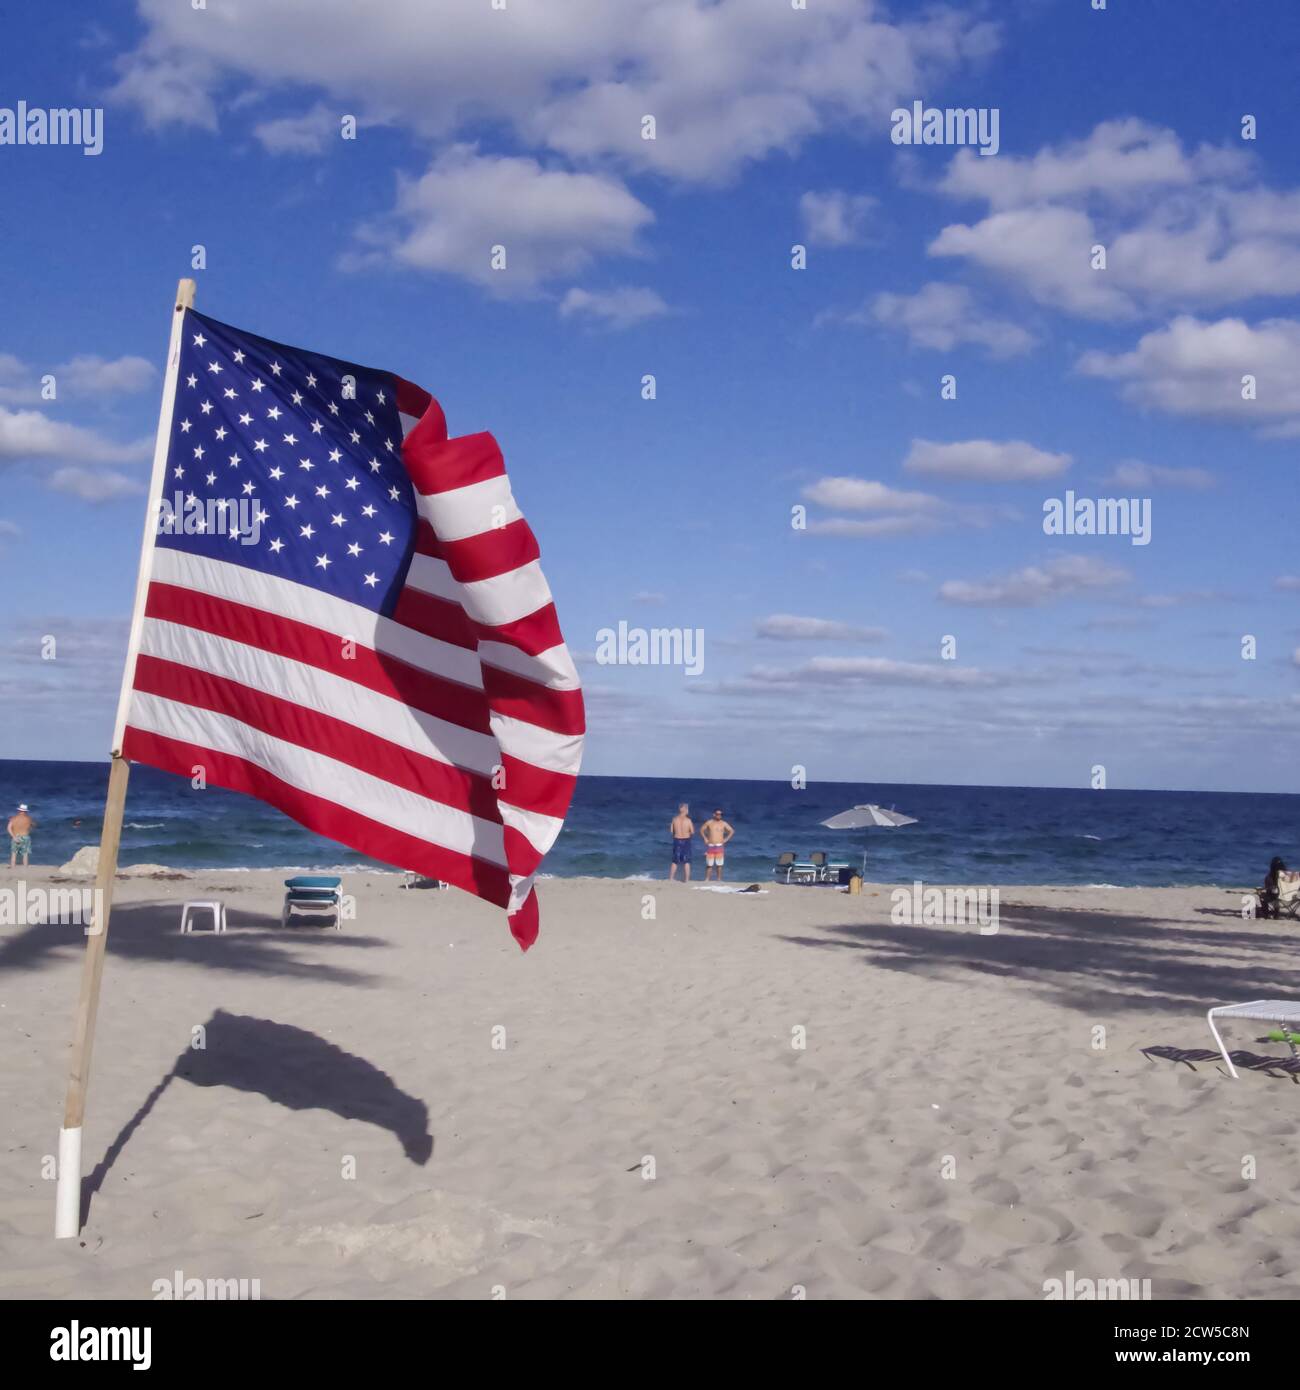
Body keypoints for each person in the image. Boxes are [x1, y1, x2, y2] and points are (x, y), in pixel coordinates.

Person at [700, 808, 734, 882]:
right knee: (709, 864)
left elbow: (731, 831)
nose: (719, 816)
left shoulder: (723, 823)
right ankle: (707, 879)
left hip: (719, 846)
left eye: (720, 814)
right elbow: (702, 830)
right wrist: (705, 838)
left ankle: (719, 879)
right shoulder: (709, 823)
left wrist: (726, 839)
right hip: (711, 846)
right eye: (718, 814)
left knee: (719, 864)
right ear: (714, 814)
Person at [669, 803, 694, 882]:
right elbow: (692, 831)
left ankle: (671, 878)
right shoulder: (688, 820)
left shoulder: (674, 819)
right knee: (686, 861)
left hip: (677, 839)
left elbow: (671, 831)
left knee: (675, 860)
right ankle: (686, 879)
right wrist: (687, 834)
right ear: (686, 810)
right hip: (686, 840)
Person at [8, 804, 34, 869]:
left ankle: (13, 868)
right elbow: (33, 825)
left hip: (16, 836)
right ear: (25, 811)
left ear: (19, 810)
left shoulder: (13, 818)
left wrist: (13, 837)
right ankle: (25, 868)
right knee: (25, 855)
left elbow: (8, 828)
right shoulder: (29, 818)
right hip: (25, 837)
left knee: (14, 854)